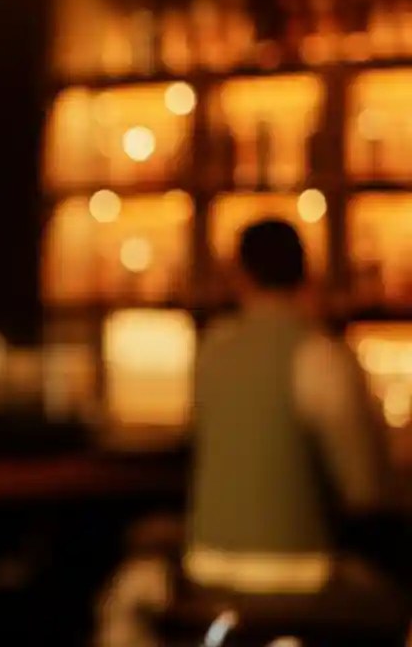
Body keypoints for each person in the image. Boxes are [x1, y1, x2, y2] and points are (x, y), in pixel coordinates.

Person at [96, 218, 402, 646]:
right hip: (298, 575)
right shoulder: (320, 355)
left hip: (205, 568)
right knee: (389, 599)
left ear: (238, 275)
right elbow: (365, 489)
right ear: (306, 274)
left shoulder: (211, 351)